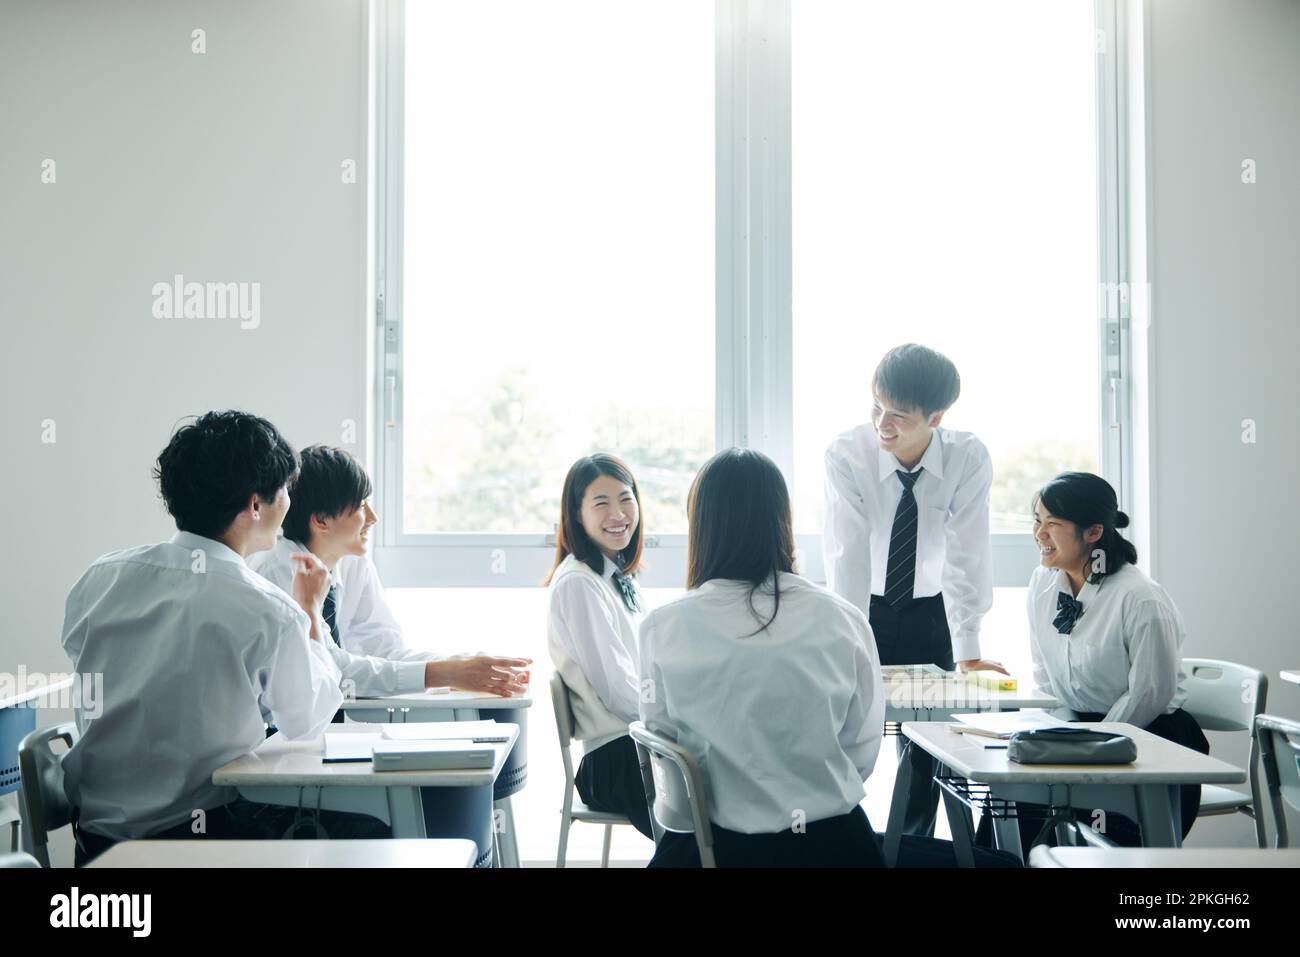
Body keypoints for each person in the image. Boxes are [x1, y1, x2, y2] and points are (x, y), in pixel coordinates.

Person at [641, 449, 1021, 868]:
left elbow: (663, 743)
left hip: (710, 849)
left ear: (701, 525)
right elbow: (860, 749)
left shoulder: (663, 626)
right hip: (829, 846)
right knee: (998, 864)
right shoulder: (841, 617)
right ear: (781, 520)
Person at [61, 411, 389, 865]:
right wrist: (311, 610)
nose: (289, 505)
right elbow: (308, 722)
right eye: (284, 493)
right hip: (204, 839)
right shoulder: (267, 607)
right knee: (380, 826)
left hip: (96, 843)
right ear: (256, 506)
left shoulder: (100, 578)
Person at [823, 343, 1005, 838]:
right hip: (866, 610)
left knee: (927, 746)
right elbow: (848, 559)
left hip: (931, 613)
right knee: (841, 732)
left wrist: (968, 646)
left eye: (899, 416)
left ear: (936, 417)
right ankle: (840, 842)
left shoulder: (968, 459)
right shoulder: (848, 454)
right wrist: (848, 641)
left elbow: (968, 554)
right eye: (876, 407)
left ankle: (909, 848)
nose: (882, 423)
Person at [250, 445, 531, 705]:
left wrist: (463, 666)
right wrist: (445, 673)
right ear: (322, 520)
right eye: (361, 506)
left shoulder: (353, 563)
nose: (373, 517)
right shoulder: (280, 574)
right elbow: (333, 669)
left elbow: (388, 651)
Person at [1020, 471, 1207, 848]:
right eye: (1037, 521)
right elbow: (1045, 676)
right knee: (1011, 799)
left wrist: (1092, 749)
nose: (1039, 534)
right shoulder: (1042, 583)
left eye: (1053, 524)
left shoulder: (1140, 599)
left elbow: (1149, 695)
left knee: (1101, 847)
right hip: (1079, 732)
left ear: (1093, 533)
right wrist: (1058, 737)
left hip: (1147, 737)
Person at [545, 454, 654, 839]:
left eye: (626, 499)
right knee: (717, 809)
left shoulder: (617, 577)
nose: (618, 513)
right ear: (576, 514)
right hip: (616, 759)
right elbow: (617, 689)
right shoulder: (579, 583)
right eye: (601, 503)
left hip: (636, 746)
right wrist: (675, 726)